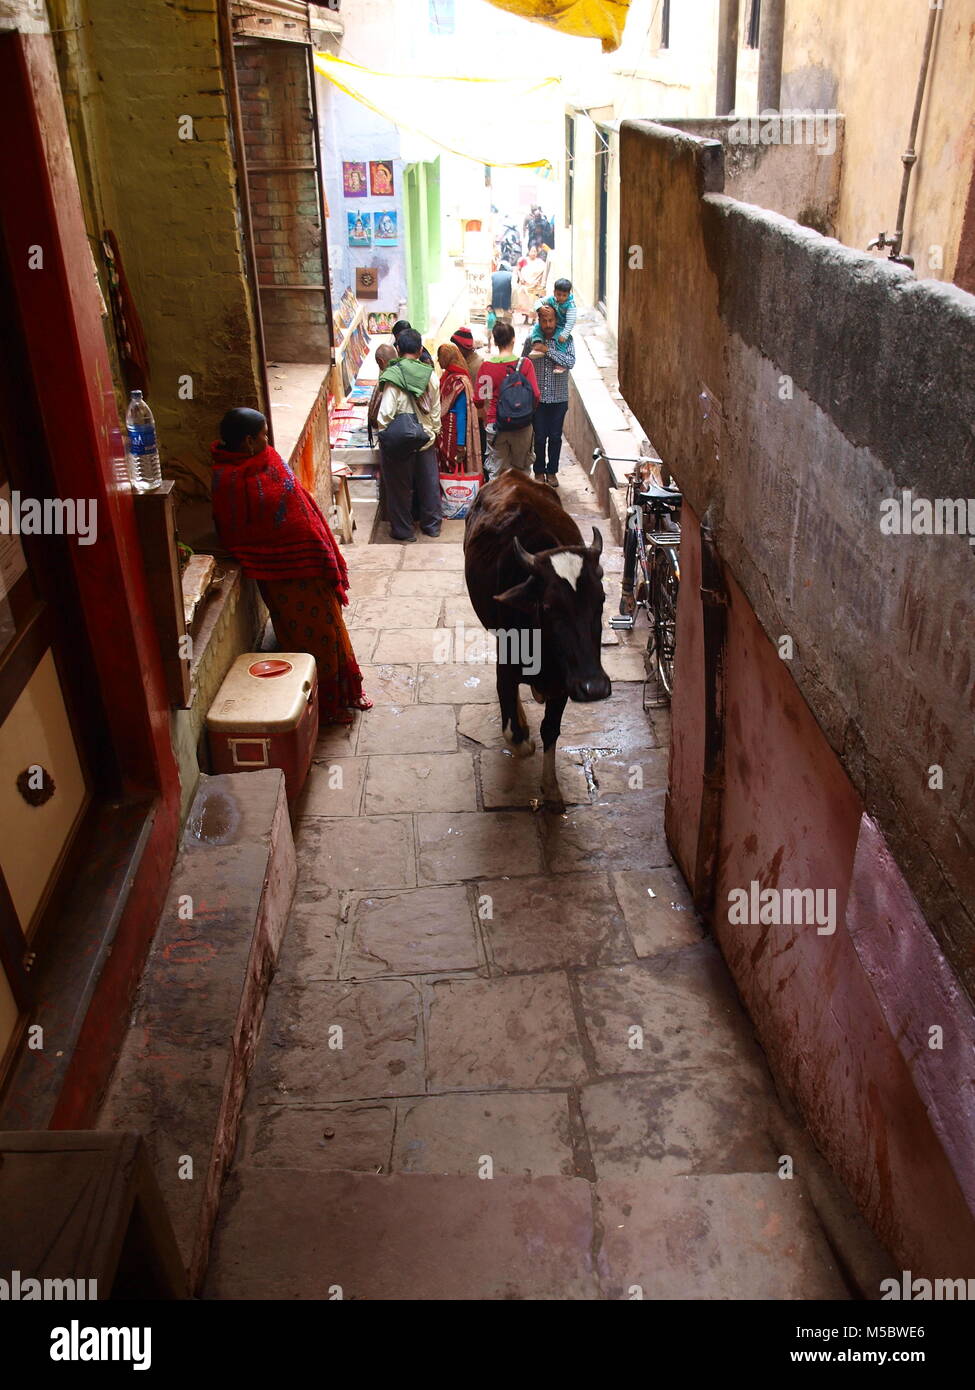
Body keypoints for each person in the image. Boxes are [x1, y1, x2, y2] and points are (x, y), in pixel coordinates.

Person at [211, 407, 372, 724]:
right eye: (262, 435)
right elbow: (236, 529)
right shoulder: (228, 480)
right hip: (281, 572)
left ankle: (346, 691)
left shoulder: (266, 457)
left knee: (332, 629)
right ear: (247, 441)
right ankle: (325, 707)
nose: (267, 440)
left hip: (310, 564)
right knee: (306, 638)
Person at [375, 328, 443, 541]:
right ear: (420, 349)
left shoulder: (392, 375)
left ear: (398, 349)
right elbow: (435, 411)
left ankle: (404, 531)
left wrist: (388, 435)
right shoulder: (430, 376)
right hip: (425, 438)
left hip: (400, 443)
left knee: (400, 489)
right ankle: (432, 527)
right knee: (429, 485)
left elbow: (384, 414)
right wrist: (430, 433)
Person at [476, 321, 540, 478]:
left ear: (495, 342)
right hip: (522, 425)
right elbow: (536, 395)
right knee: (522, 472)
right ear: (513, 339)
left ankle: (498, 502)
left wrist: (487, 416)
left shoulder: (486, 366)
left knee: (496, 472)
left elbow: (478, 399)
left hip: (496, 424)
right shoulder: (525, 364)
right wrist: (526, 412)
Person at [523, 304, 575, 488]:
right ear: (539, 321)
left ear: (556, 320)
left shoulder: (565, 339)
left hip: (559, 398)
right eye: (544, 320)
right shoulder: (531, 338)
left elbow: (570, 361)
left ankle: (552, 472)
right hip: (538, 399)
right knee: (538, 437)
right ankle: (538, 471)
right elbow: (523, 362)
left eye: (551, 320)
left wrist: (547, 351)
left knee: (554, 437)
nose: (548, 324)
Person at [436, 343, 482, 476]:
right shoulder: (447, 377)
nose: (438, 361)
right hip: (444, 432)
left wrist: (461, 444)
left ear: (447, 357)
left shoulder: (459, 381)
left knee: (452, 471)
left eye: (440, 357)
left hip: (452, 435)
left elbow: (462, 414)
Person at [450, 326, 486, 458]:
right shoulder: (461, 364)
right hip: (465, 419)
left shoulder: (480, 365)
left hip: (478, 420)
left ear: (462, 348)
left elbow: (485, 397)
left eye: (455, 347)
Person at [531, 277, 576, 346]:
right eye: (559, 294)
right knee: (537, 327)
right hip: (552, 322)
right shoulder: (551, 299)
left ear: (569, 294)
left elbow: (571, 322)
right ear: (554, 292)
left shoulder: (570, 305)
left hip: (561, 326)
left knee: (559, 340)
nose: (561, 297)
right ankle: (537, 341)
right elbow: (538, 301)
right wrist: (540, 307)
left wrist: (564, 334)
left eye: (564, 295)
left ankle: (554, 349)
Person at [512, 245, 547, 322]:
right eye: (532, 251)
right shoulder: (523, 260)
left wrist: (538, 281)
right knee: (525, 302)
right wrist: (521, 278)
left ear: (537, 253)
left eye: (535, 251)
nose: (533, 253)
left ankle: (534, 319)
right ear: (529, 251)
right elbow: (517, 269)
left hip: (535, 286)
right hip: (525, 284)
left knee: (534, 303)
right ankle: (526, 318)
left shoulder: (540, 262)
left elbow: (543, 273)